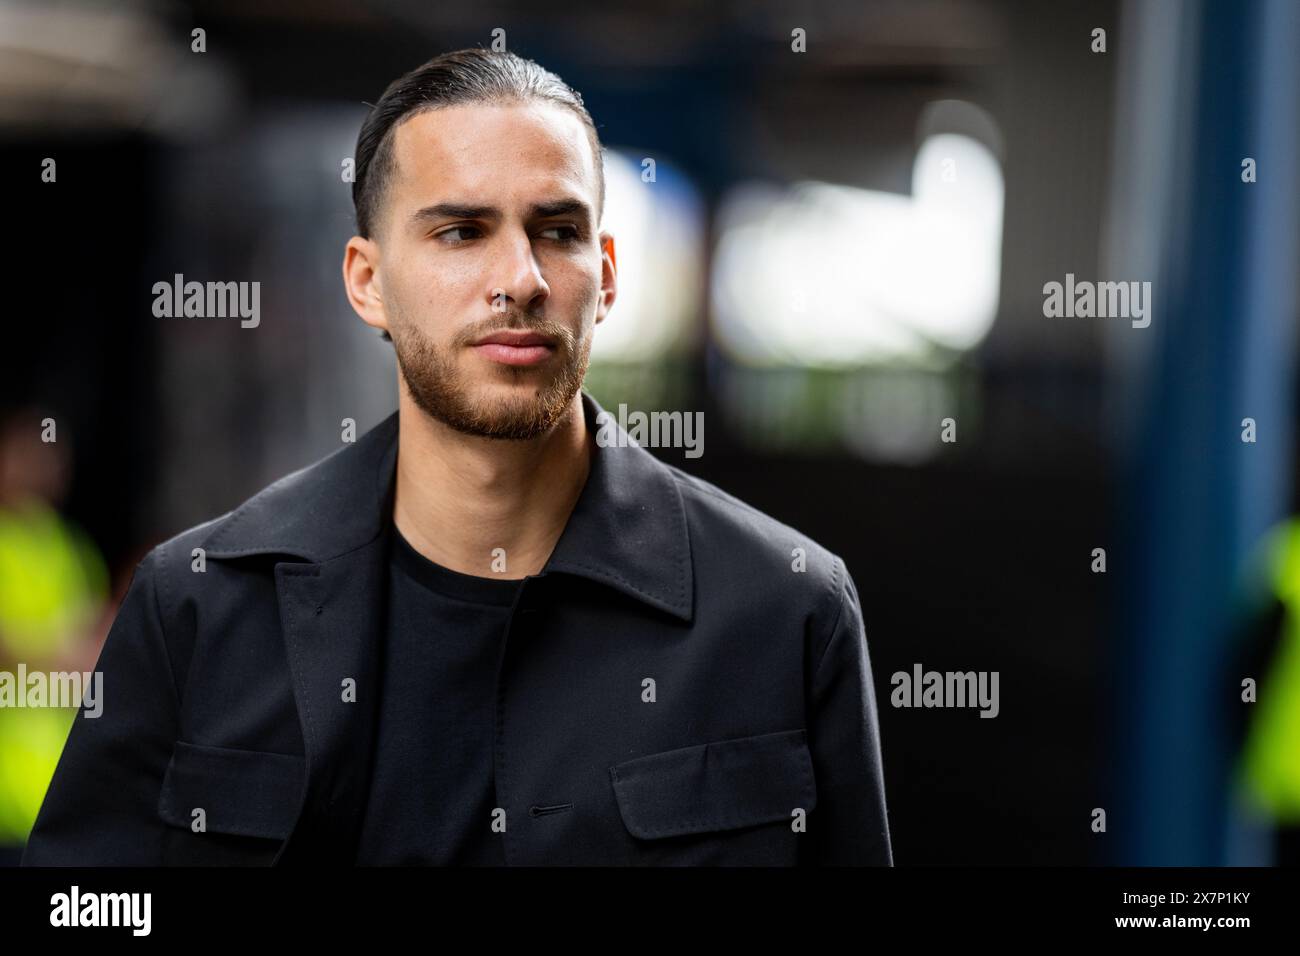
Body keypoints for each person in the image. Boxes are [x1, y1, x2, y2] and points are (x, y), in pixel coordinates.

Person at [21, 48, 892, 866]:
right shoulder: (201, 605)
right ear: (368, 282)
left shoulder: (783, 611)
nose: (520, 277)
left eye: (557, 230)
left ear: (609, 275)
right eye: (461, 232)